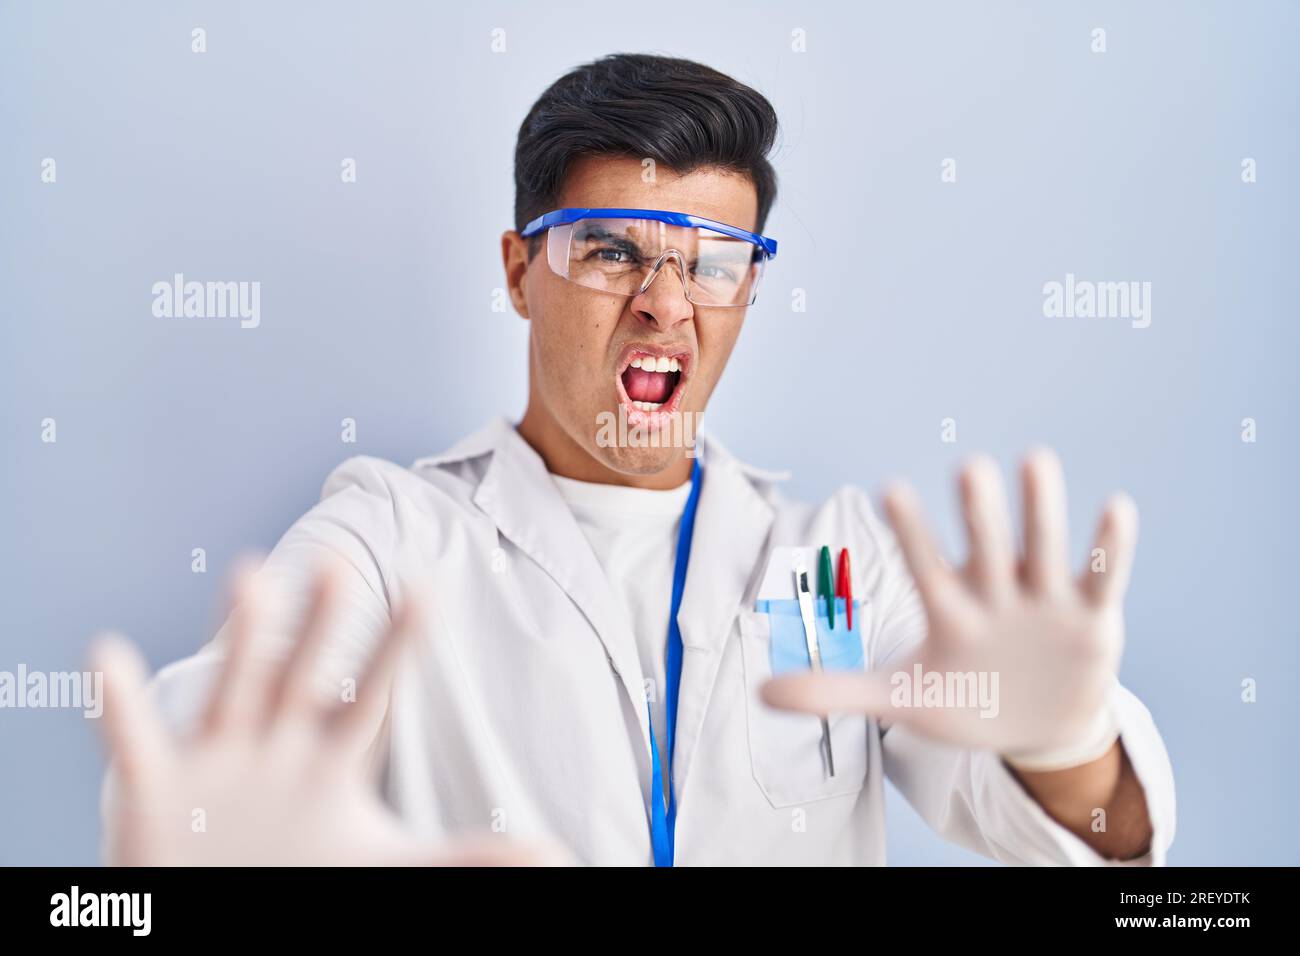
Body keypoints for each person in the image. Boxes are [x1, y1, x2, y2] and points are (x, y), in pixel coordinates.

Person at [94, 53, 1175, 866]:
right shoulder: (388, 535)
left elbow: (1095, 839)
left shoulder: (827, 564)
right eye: (610, 250)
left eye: (712, 263)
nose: (664, 302)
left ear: (747, 289)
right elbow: (227, 740)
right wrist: (208, 816)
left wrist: (1069, 738)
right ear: (520, 272)